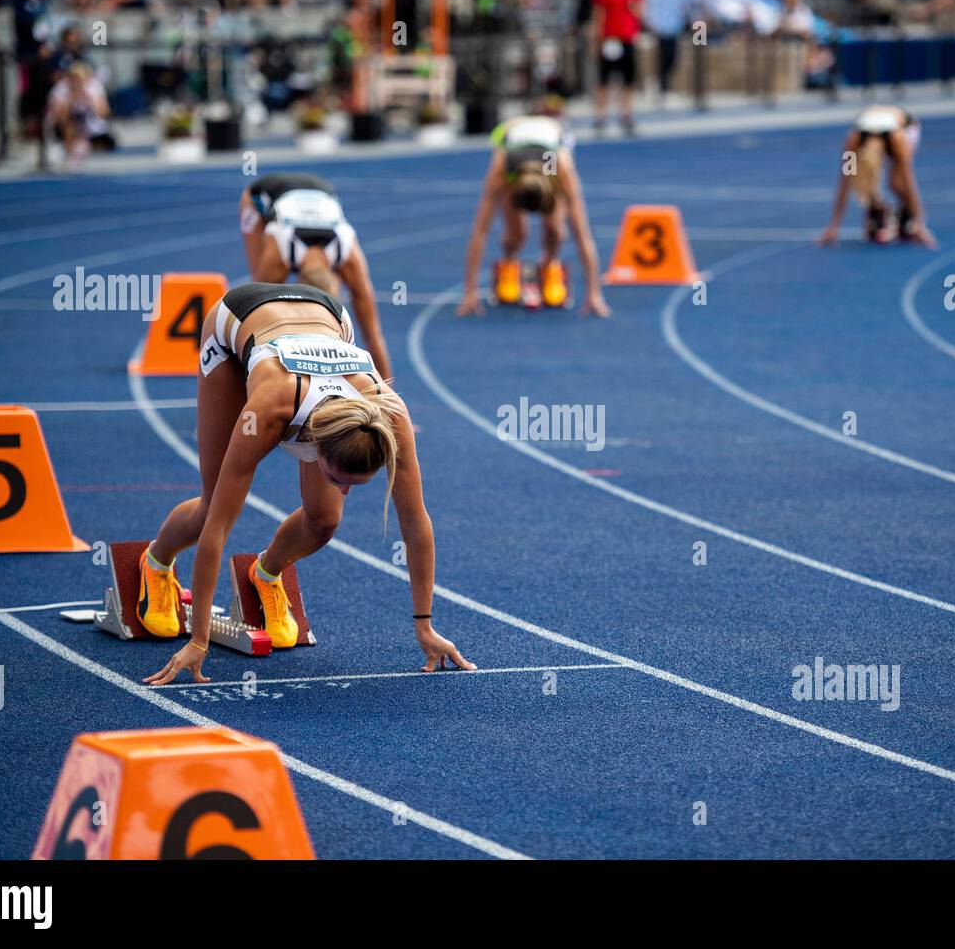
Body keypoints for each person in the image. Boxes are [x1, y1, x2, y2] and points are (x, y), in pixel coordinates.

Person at [140, 282, 473, 686]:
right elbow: (219, 530)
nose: (346, 489)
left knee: (324, 520)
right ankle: (156, 561)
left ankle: (265, 573)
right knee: (212, 507)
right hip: (238, 323)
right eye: (338, 478)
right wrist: (199, 640)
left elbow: (416, 522)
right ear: (314, 443)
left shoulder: (391, 416)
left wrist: (425, 626)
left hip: (328, 318)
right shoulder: (268, 410)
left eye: (356, 483)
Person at [457, 110, 612, 318]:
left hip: (551, 143)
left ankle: (549, 264)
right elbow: (480, 231)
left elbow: (582, 234)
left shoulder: (559, 166)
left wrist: (594, 293)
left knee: (555, 229)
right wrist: (470, 292)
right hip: (510, 135)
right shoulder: (502, 168)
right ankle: (509, 262)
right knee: (516, 234)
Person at [239, 172, 392, 379]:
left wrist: (388, 401)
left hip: (321, 191)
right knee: (258, 304)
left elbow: (373, 336)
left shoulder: (349, 256)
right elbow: (251, 327)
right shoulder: (278, 257)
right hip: (258, 199)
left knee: (370, 324)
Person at [818, 105, 936, 248]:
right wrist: (834, 226)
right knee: (863, 184)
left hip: (907, 127)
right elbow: (845, 182)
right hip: (874, 122)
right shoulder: (852, 141)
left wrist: (920, 224)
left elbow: (909, 182)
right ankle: (878, 208)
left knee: (896, 183)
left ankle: (906, 212)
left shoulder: (898, 140)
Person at [592, 0, 644, 135]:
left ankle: (626, 113)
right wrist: (597, 39)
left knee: (628, 80)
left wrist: (634, 8)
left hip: (627, 39)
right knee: (604, 80)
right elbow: (598, 14)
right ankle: (601, 115)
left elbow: (640, 13)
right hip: (609, 39)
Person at [45, 62, 112, 170]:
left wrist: (90, 100)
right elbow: (58, 119)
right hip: (63, 128)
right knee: (70, 126)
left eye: (79, 79)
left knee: (99, 143)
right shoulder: (60, 89)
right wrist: (69, 101)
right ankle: (67, 149)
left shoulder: (94, 87)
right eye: (73, 78)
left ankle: (80, 149)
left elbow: (104, 113)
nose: (76, 82)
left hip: (89, 127)